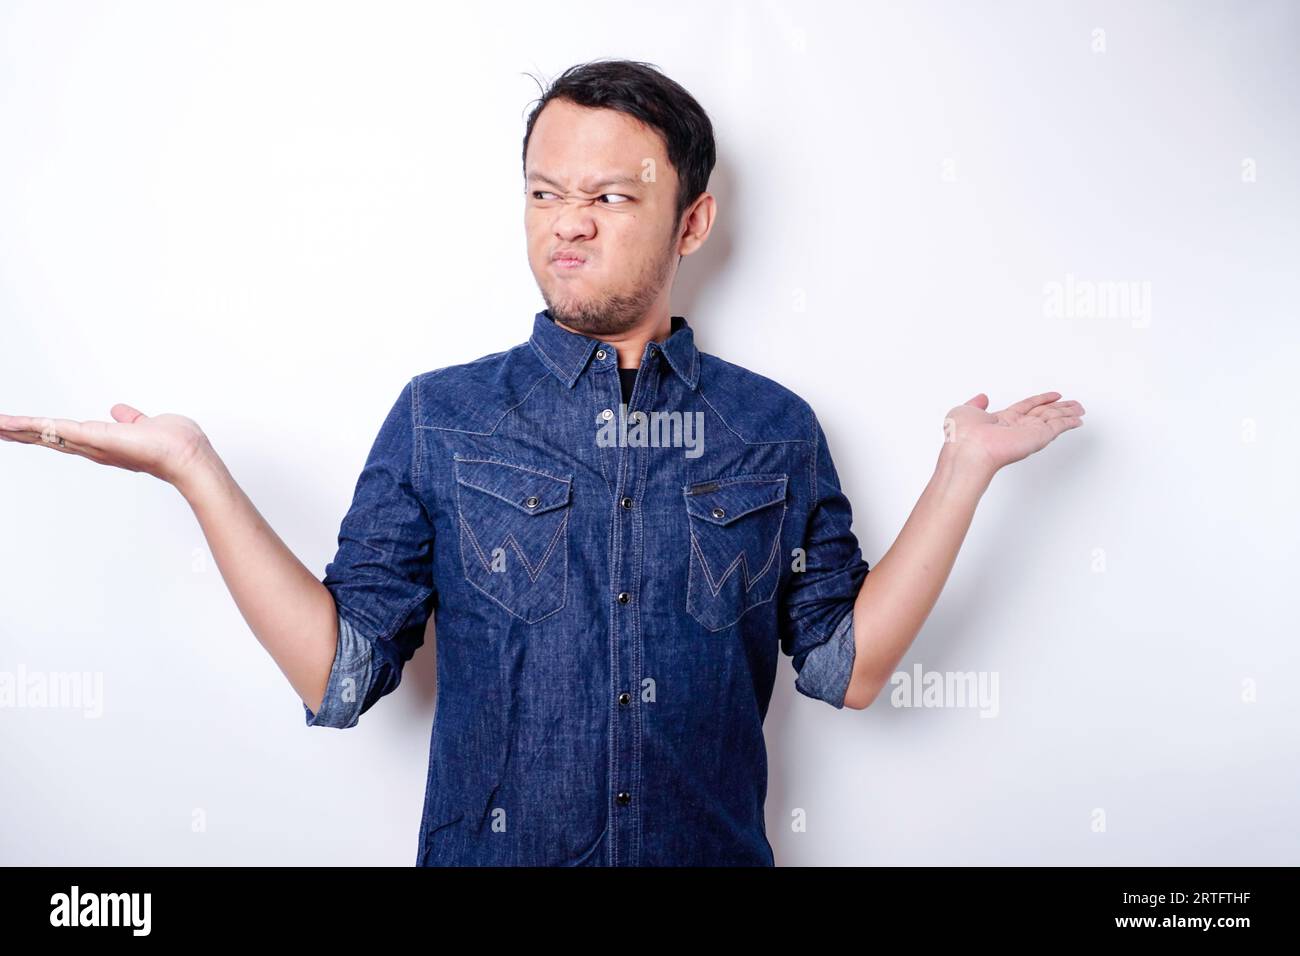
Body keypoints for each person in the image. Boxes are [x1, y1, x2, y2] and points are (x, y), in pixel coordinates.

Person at [0, 58, 1084, 866]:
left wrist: (963, 472)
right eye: (543, 192)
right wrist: (194, 466)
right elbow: (336, 676)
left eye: (610, 196)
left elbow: (845, 666)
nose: (567, 225)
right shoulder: (440, 415)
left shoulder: (775, 428)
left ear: (692, 219)